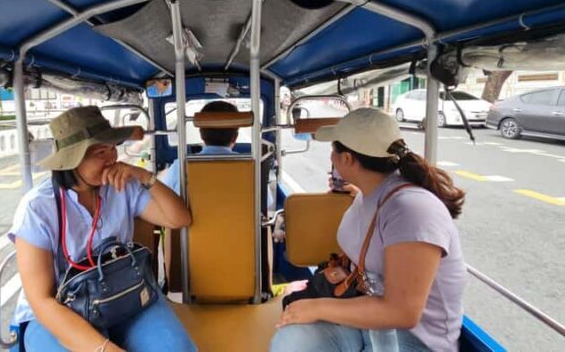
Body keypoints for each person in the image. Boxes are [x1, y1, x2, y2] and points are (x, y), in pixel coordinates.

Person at [270, 108, 467, 352]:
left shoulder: (412, 211)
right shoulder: (370, 193)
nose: (331, 157)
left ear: (347, 159)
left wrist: (316, 307)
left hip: (411, 341)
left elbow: (402, 313)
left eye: (333, 150)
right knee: (290, 340)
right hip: (365, 322)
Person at [9, 106, 196, 352]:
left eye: (112, 147)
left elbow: (179, 219)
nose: (112, 157)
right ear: (72, 160)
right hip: (61, 309)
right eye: (100, 151)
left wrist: (143, 176)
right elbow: (42, 301)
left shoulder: (122, 186)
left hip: (123, 292)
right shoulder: (38, 208)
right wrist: (104, 349)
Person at [160, 100, 274, 210]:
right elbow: (266, 204)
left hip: (192, 230)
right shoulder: (252, 168)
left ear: (201, 135)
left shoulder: (180, 167)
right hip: (241, 230)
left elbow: (161, 198)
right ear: (235, 137)